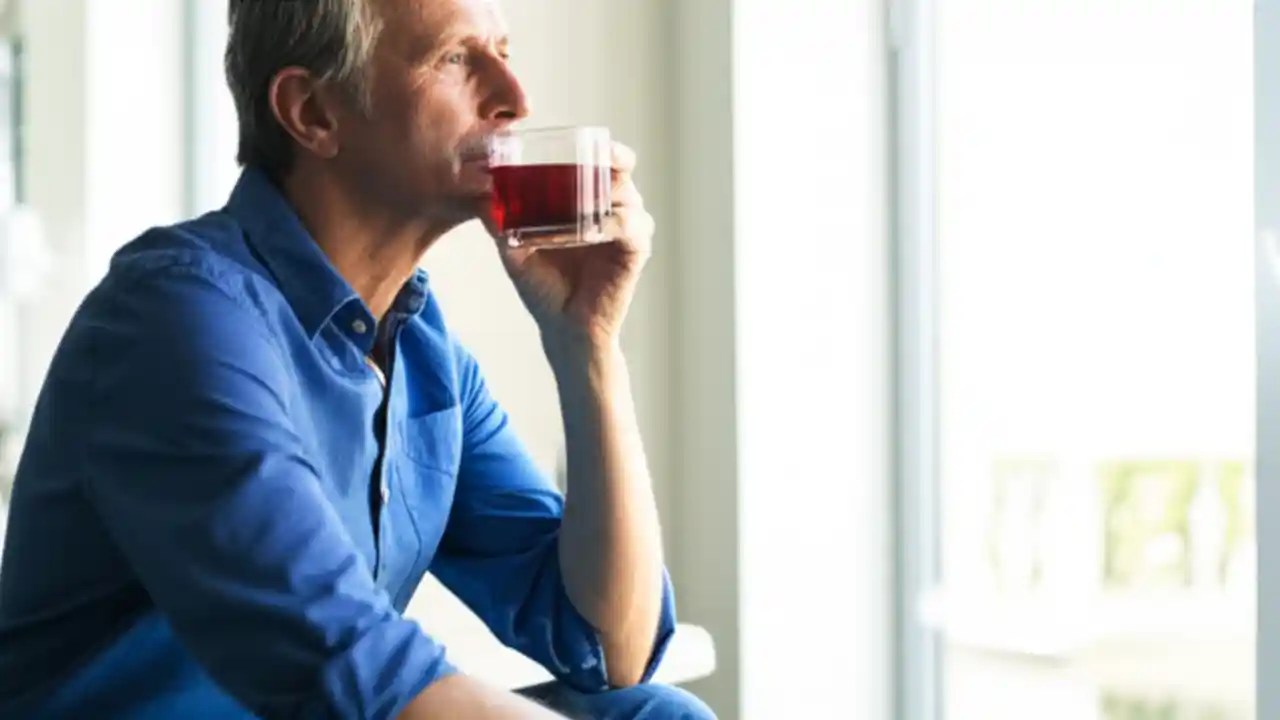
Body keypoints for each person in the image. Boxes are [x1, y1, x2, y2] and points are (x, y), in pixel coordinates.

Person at [0, 1, 713, 718]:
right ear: (313, 113)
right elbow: (356, 673)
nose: (514, 98)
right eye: (456, 60)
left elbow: (607, 646)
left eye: (503, 50)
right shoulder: (175, 317)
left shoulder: (422, 354)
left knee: (656, 712)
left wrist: (587, 344)